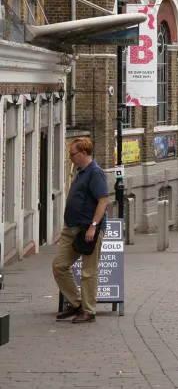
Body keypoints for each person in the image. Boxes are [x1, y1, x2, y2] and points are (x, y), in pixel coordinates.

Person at [53, 137, 109, 323]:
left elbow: (103, 200)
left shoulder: (95, 173)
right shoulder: (80, 172)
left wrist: (93, 226)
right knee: (59, 265)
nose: (70, 158)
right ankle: (77, 303)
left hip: (88, 229)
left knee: (88, 271)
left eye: (73, 154)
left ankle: (89, 311)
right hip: (72, 229)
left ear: (83, 153)